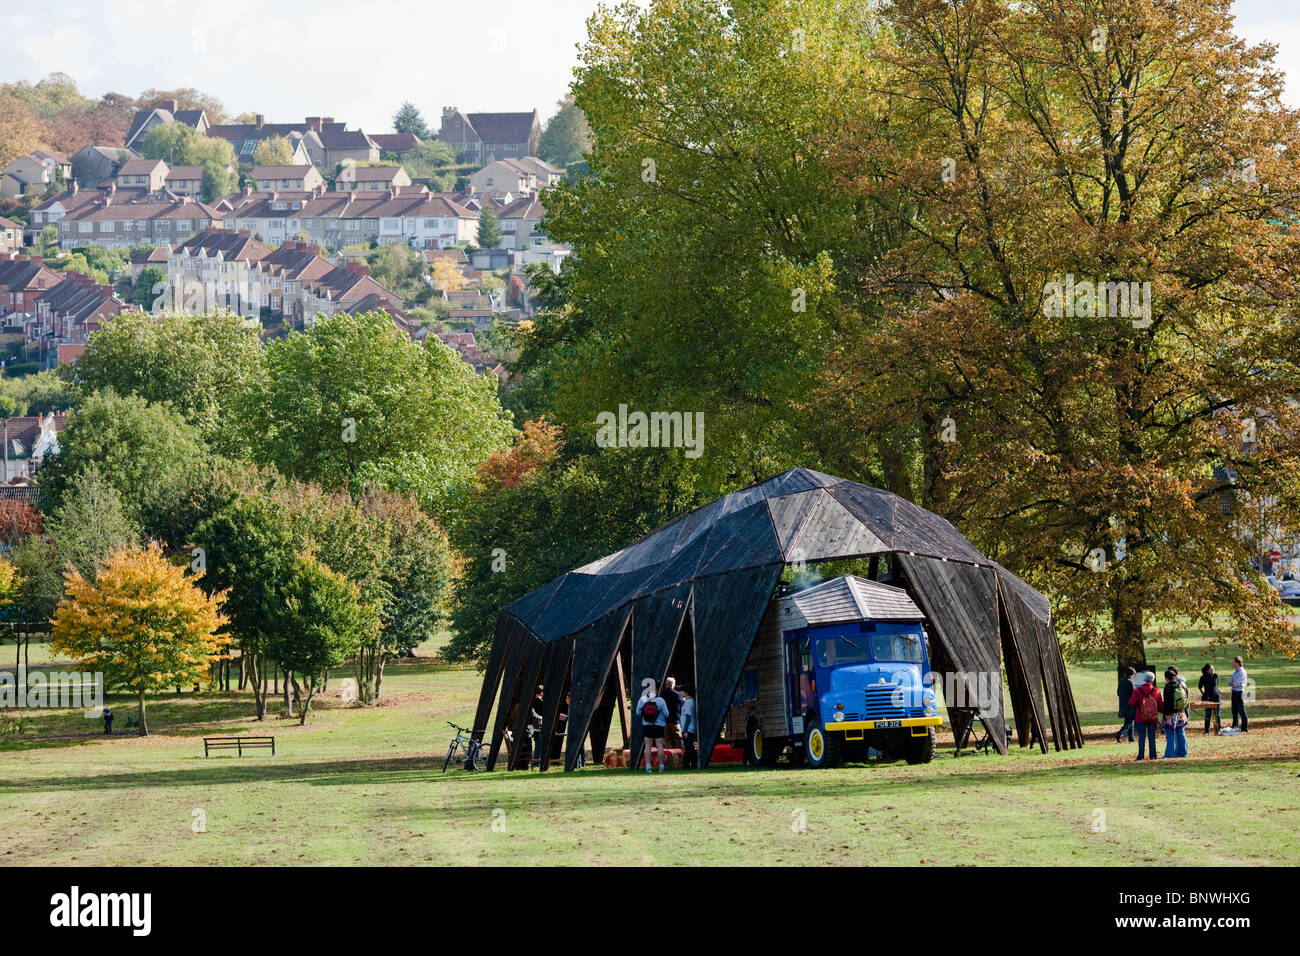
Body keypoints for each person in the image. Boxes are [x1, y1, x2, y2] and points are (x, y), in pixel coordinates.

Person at [635, 681, 669, 773]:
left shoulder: (643, 699)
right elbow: (667, 714)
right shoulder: (661, 700)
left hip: (647, 725)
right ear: (658, 689)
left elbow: (638, 713)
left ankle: (648, 767)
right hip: (659, 725)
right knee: (659, 746)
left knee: (648, 746)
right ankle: (661, 767)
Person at [1128, 671, 1162, 761]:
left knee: (1141, 736)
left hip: (1140, 716)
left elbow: (1131, 703)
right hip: (1153, 717)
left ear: (1144, 679)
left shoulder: (1137, 690)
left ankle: (1141, 755)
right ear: (1153, 680)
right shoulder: (1156, 691)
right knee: (1152, 737)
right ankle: (1153, 755)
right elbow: (1160, 705)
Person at [1161, 667, 1189, 758]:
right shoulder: (1181, 685)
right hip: (1181, 713)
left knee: (1170, 733)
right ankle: (1183, 753)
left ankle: (1169, 754)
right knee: (1180, 732)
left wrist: (1165, 715)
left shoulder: (1168, 687)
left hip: (1171, 714)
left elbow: (1167, 702)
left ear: (1167, 678)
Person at [1226, 656, 1249, 732]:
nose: (1232, 663)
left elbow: (1237, 683)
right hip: (1234, 692)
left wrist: (1232, 683)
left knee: (1241, 710)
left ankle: (1244, 728)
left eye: (1233, 662)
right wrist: (1232, 683)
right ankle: (1235, 727)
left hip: (1239, 693)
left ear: (1237, 663)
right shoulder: (1236, 672)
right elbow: (1229, 682)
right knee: (1234, 711)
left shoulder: (1242, 672)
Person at [1115, 666, 1137, 743]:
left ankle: (1131, 738)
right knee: (1129, 722)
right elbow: (1134, 694)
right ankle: (1120, 733)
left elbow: (1118, 693)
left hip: (1122, 704)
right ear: (1132, 674)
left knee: (1130, 721)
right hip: (1130, 705)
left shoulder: (1121, 681)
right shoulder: (1130, 682)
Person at [1198, 663, 1221, 735]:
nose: (1213, 670)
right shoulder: (1203, 677)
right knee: (1208, 714)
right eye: (1211, 669)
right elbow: (1199, 687)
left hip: (1216, 697)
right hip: (1208, 698)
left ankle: (1218, 729)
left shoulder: (1216, 676)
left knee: (1217, 714)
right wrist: (1203, 694)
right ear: (1207, 670)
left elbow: (1216, 686)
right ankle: (1206, 731)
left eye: (1213, 669)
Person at [662, 676, 684, 750]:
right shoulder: (677, 694)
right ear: (673, 684)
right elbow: (682, 706)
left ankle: (669, 756)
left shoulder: (662, 694)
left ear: (666, 684)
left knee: (667, 740)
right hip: (675, 720)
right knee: (679, 739)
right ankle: (682, 754)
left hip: (665, 720)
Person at [679, 686, 698, 769]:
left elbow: (688, 716)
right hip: (689, 728)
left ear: (685, 692)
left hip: (688, 728)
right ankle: (694, 763)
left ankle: (686, 765)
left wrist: (685, 730)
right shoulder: (688, 701)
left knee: (688, 747)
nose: (679, 693)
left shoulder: (689, 702)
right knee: (690, 747)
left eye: (681, 691)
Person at [529, 684, 546, 769]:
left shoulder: (534, 700)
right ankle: (537, 762)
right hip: (538, 725)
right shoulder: (539, 701)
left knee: (538, 743)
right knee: (539, 744)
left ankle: (537, 761)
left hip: (535, 725)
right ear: (541, 692)